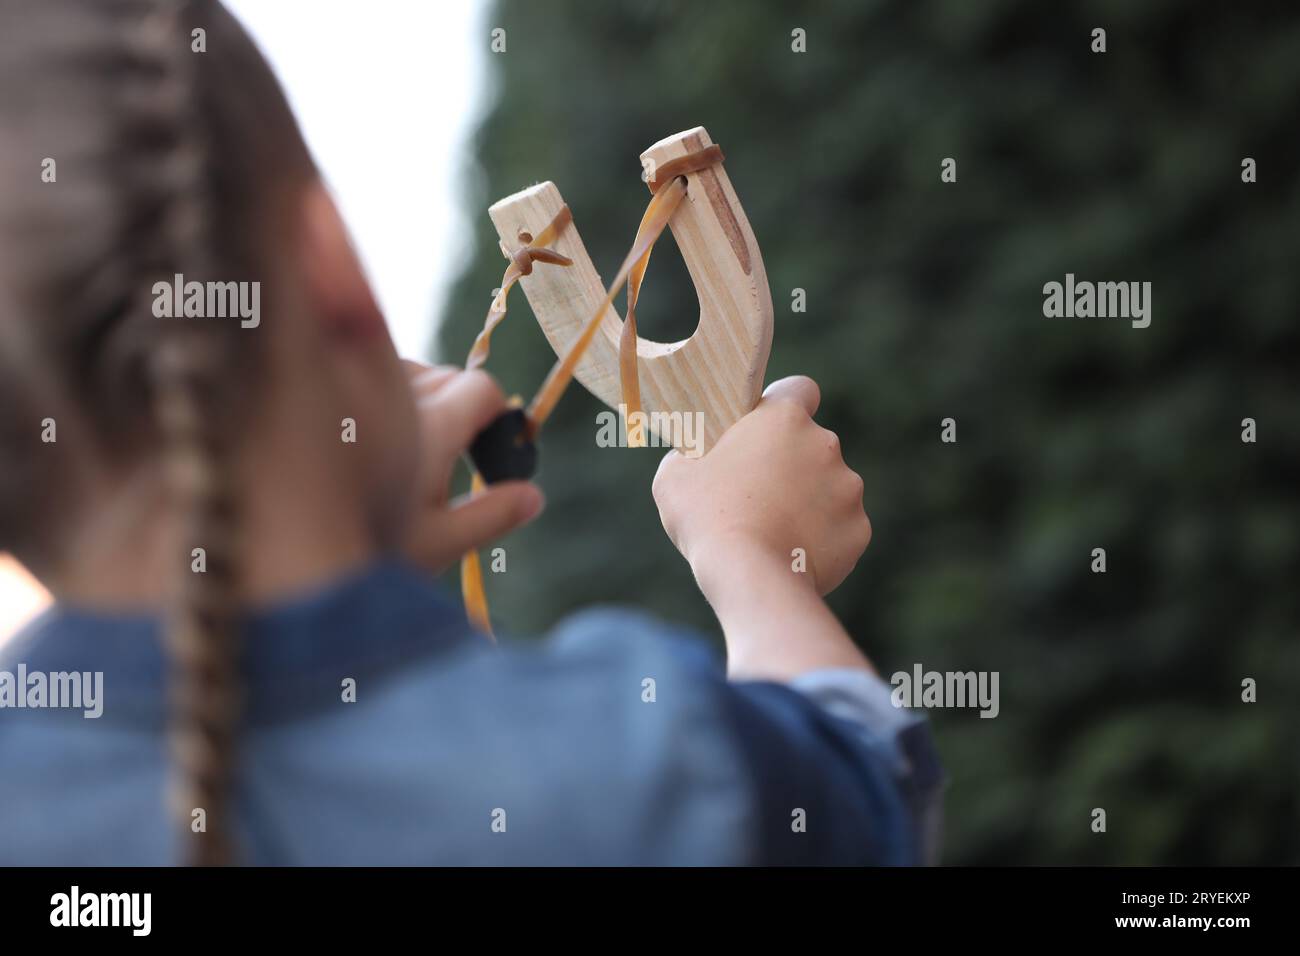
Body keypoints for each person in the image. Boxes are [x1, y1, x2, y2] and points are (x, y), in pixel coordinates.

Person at [0, 0, 941, 865]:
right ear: (325, 261)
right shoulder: (626, 760)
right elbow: (867, 791)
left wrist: (349, 562)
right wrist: (755, 555)